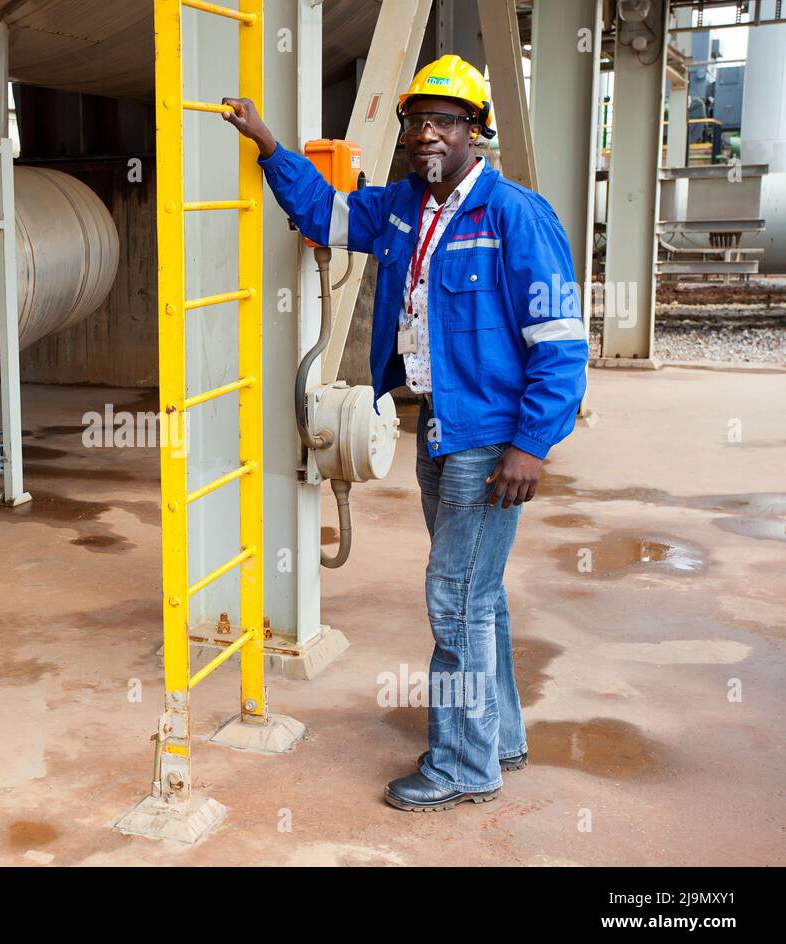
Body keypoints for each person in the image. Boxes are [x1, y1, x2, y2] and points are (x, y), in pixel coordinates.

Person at [222, 55, 588, 811]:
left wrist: (531, 444)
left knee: (454, 597)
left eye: (445, 121)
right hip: (436, 429)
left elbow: (560, 341)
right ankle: (499, 738)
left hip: (490, 441)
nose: (427, 133)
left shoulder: (516, 216)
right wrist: (268, 147)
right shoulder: (398, 208)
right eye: (417, 120)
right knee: (478, 599)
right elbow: (326, 213)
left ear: (475, 133)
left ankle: (461, 765)